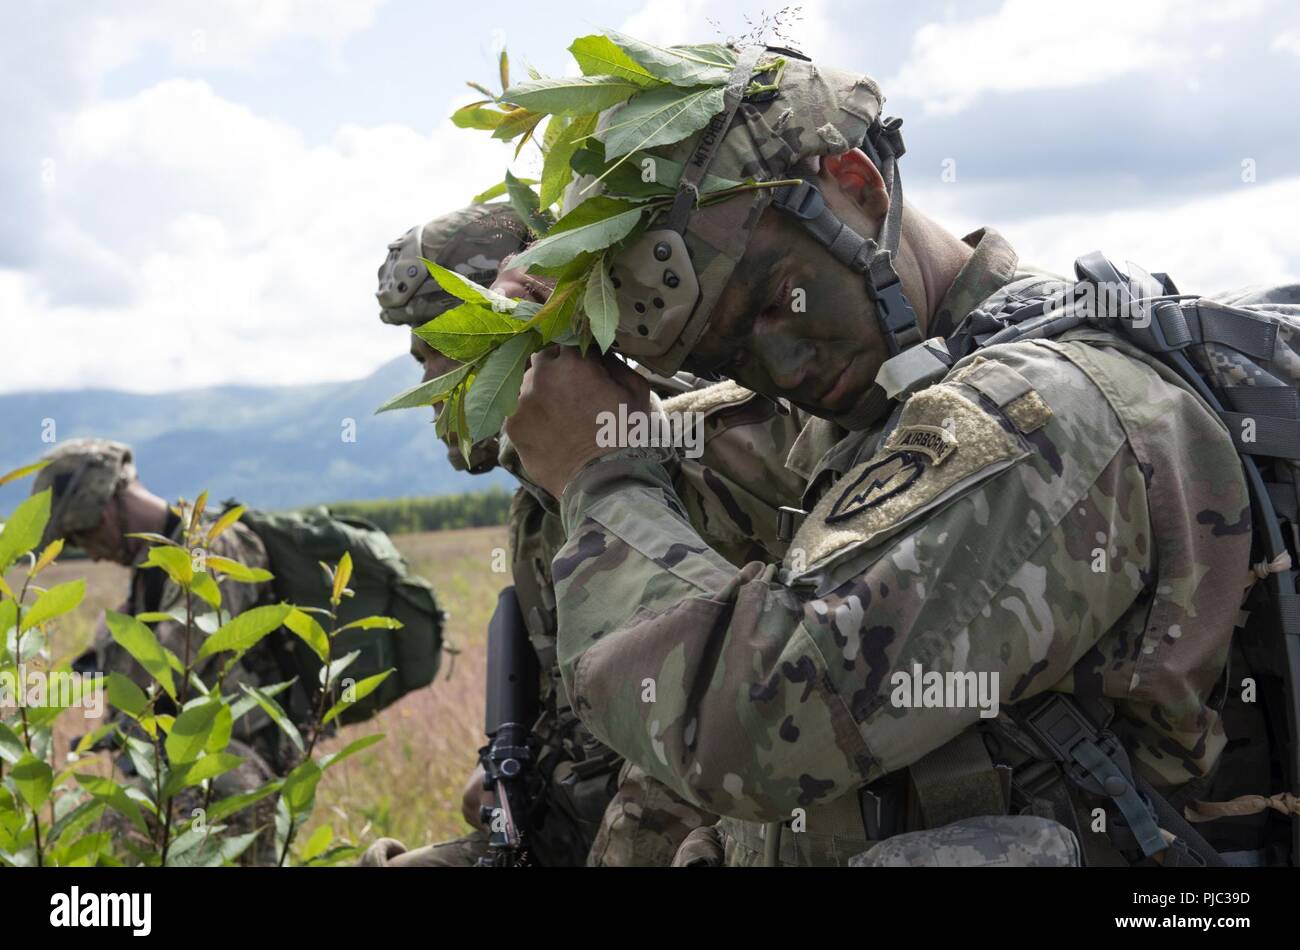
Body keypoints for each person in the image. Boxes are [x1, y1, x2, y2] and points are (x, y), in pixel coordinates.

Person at [499, 42, 1266, 866]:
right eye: (733, 355)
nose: (786, 370)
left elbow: (757, 727)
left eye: (772, 305)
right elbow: (678, 452)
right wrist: (545, 364)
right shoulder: (874, 399)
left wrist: (598, 474)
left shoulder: (1038, 410)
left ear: (857, 185)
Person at [362, 203, 807, 865]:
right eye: (422, 358)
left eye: (448, 351)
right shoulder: (540, 509)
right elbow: (579, 717)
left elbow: (754, 715)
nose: (431, 388)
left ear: (524, 337)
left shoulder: (698, 447)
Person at [34, 438, 289, 863]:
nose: (91, 554)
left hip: (233, 761)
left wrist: (113, 658)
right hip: (177, 762)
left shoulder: (209, 549)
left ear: (107, 506)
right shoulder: (151, 570)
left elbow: (171, 665)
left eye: (84, 533)